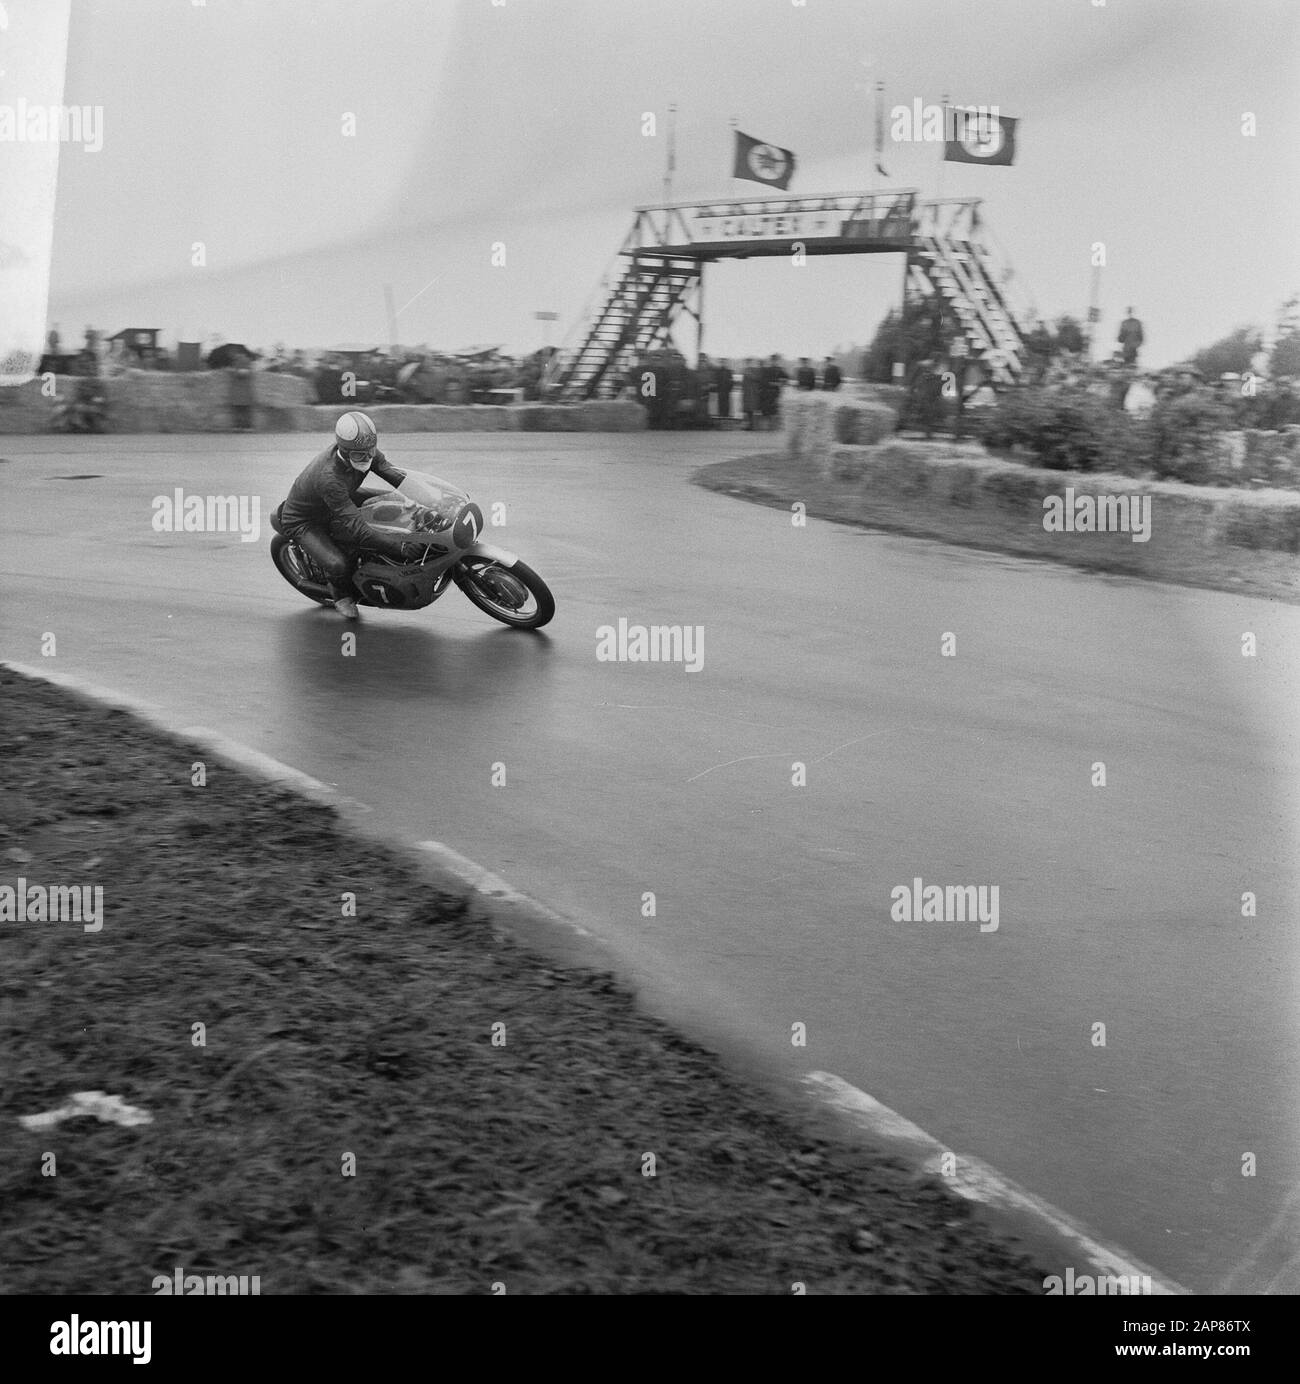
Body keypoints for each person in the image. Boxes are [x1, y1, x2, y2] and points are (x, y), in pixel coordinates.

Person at [273, 412, 424, 620]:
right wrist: (400, 547)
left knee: (396, 500)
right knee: (339, 564)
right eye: (360, 455)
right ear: (344, 451)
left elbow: (396, 475)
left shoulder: (365, 452)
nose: (368, 458)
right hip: (305, 520)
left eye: (370, 451)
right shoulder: (329, 477)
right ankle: (340, 594)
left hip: (339, 497)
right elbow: (359, 530)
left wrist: (432, 498)